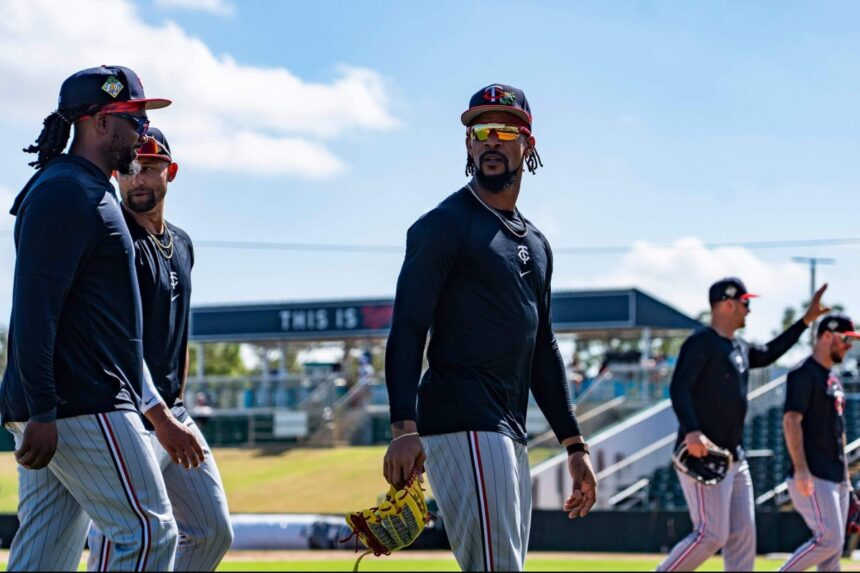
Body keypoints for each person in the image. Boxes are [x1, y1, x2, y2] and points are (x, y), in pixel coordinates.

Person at [383, 84, 597, 572]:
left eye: (505, 130)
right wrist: (403, 428)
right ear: (467, 145)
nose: (491, 141)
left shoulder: (536, 243)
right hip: (462, 421)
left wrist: (574, 444)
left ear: (529, 144)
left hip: (508, 429)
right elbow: (408, 327)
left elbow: (543, 348)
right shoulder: (443, 225)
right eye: (480, 131)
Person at [0, 66, 178, 570]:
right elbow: (34, 308)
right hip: (80, 400)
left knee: (44, 554)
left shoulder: (81, 188)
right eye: (133, 116)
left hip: (64, 404)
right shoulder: (66, 191)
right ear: (100, 122)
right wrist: (42, 409)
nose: (142, 130)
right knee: (148, 533)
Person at [86, 128, 233, 571]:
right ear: (117, 174)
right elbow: (114, 340)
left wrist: (177, 406)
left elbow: (178, 333)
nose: (139, 180)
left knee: (211, 533)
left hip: (173, 412)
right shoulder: (118, 240)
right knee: (124, 539)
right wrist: (159, 417)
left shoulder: (183, 243)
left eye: (150, 168)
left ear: (170, 172)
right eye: (130, 169)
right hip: (129, 415)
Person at [658, 277, 830, 571]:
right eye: (744, 303)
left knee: (743, 536)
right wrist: (692, 431)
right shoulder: (701, 343)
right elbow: (679, 388)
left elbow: (770, 352)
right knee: (710, 535)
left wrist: (805, 321)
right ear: (727, 303)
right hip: (704, 455)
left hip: (735, 456)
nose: (748, 310)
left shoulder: (739, 347)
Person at [780, 314, 860, 572]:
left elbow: (839, 431)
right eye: (846, 340)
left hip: (835, 476)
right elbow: (791, 421)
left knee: (832, 554)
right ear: (828, 335)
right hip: (813, 474)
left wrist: (846, 479)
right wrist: (801, 469)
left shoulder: (833, 380)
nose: (849, 347)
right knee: (829, 541)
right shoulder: (803, 375)